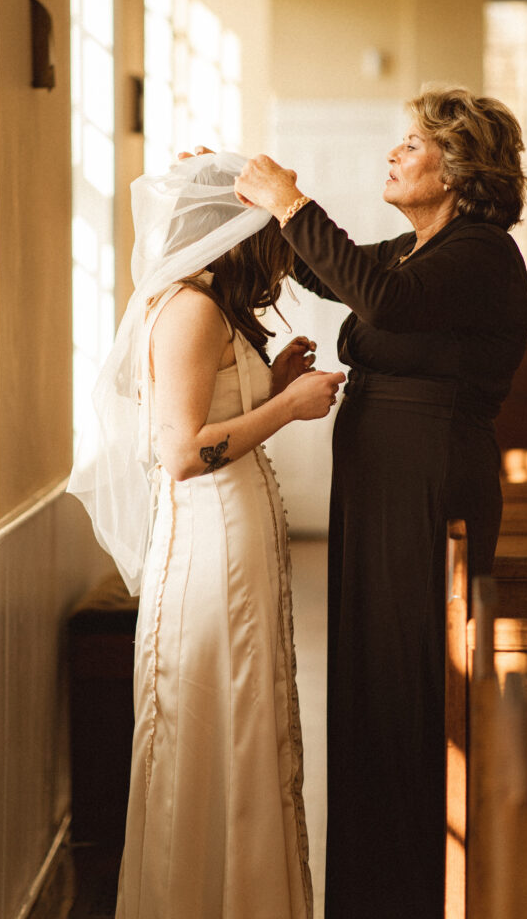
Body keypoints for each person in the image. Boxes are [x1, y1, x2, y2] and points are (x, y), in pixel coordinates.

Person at [234, 87, 527, 919]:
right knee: (371, 684)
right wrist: (236, 189)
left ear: (461, 170)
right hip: (382, 485)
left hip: (429, 485)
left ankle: (412, 894)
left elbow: (383, 304)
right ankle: (371, 893)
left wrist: (293, 199)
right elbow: (325, 268)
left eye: (414, 143)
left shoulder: (479, 254)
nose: (395, 154)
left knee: (410, 689)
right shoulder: (415, 248)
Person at [68, 151, 345, 919]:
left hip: (237, 540)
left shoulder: (212, 307)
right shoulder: (189, 308)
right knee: (211, 726)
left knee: (243, 725)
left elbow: (217, 409)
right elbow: (184, 452)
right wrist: (288, 408)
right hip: (210, 545)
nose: (282, 264)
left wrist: (276, 380)